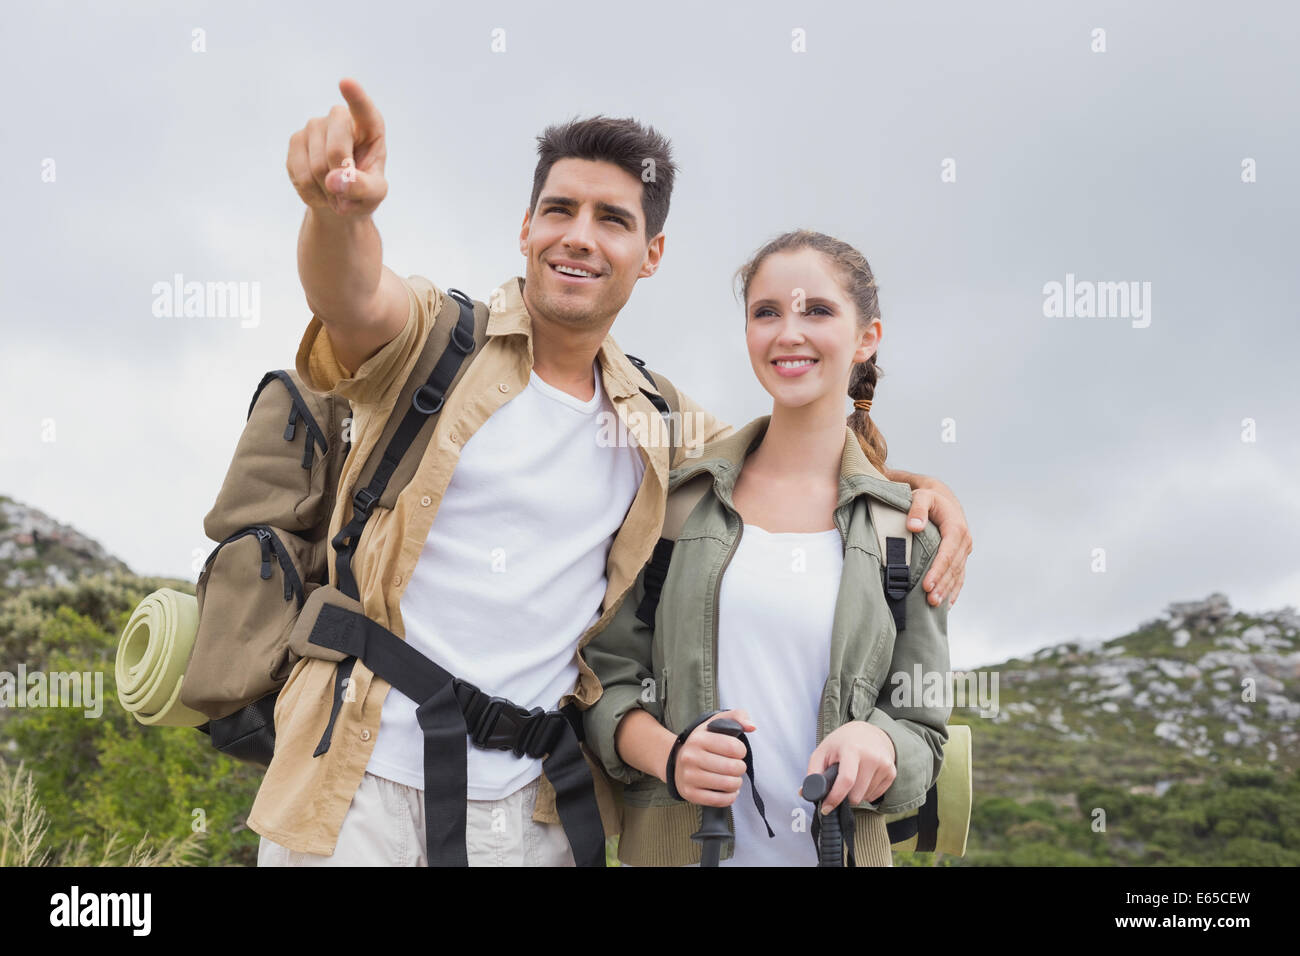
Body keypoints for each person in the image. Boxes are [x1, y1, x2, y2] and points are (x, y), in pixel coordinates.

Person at [251, 76, 973, 867]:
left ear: (650, 254)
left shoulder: (660, 419)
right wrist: (337, 215)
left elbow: (799, 459)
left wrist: (918, 493)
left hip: (535, 813)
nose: (579, 237)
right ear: (526, 227)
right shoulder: (434, 341)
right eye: (559, 210)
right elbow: (354, 298)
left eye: (612, 219)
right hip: (357, 786)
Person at [582, 229, 952, 866]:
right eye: (767, 313)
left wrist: (880, 745)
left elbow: (924, 731)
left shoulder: (906, 533)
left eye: (818, 311)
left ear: (867, 337)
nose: (788, 334)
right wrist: (671, 756)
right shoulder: (676, 505)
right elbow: (604, 680)